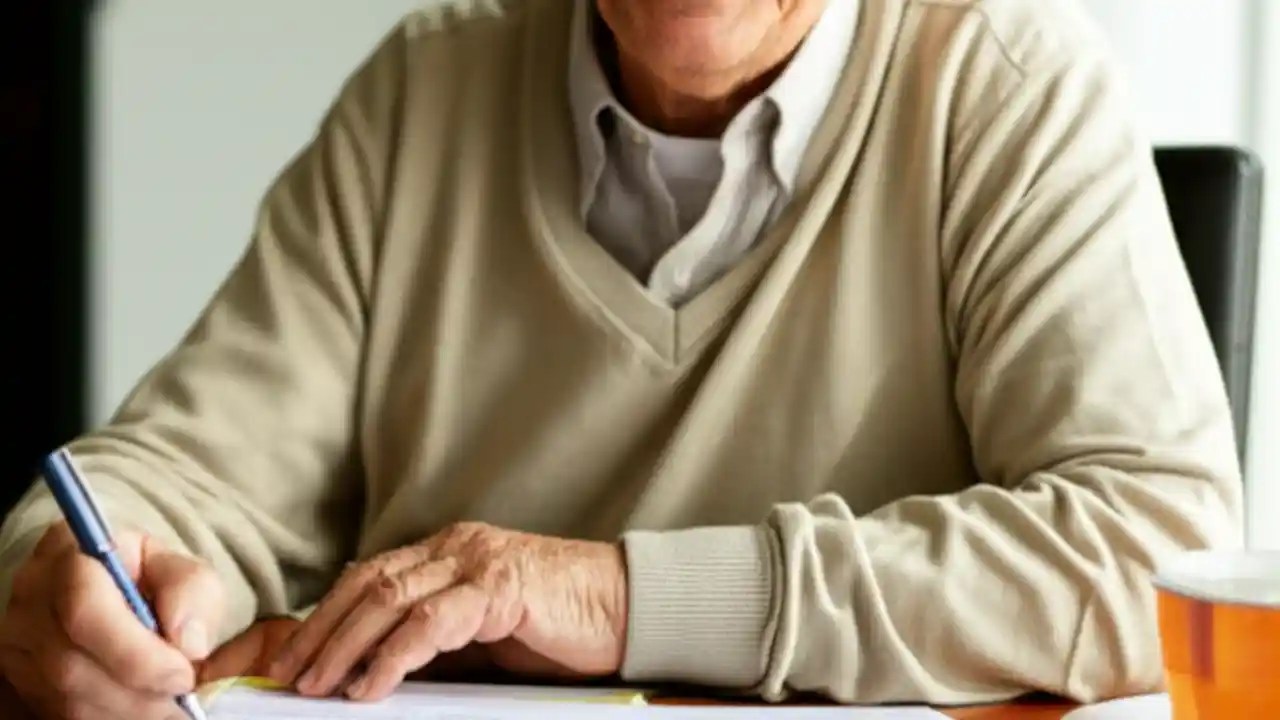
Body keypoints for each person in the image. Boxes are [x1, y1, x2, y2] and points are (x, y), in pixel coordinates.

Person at [0, 0, 1243, 717]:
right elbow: (178, 479)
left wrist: (618, 597)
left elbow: (1152, 553)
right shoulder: (422, 93)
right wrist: (77, 578)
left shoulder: (1006, 84)